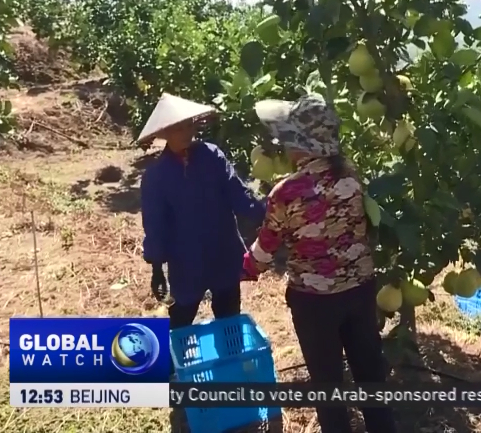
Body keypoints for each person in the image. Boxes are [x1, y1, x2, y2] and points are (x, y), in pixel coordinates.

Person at [242, 93, 397, 433]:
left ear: (299, 142)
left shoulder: (287, 192)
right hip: (359, 290)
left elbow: (266, 248)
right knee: (372, 379)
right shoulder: (351, 176)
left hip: (315, 302)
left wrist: (246, 267)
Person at [138, 93, 266, 332]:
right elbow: (155, 226)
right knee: (181, 320)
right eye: (178, 128)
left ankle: (228, 354)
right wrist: (156, 268)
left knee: (229, 320)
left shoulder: (212, 156)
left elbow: (238, 194)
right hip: (186, 260)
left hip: (223, 251)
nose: (187, 132)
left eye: (189, 125)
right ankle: (176, 356)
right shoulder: (156, 176)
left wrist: (267, 213)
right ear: (165, 133)